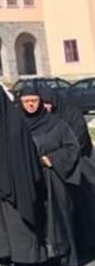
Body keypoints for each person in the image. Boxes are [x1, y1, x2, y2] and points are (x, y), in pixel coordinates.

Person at [0, 82, 46, 266]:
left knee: (16, 219)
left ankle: (23, 257)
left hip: (12, 178)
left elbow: (16, 151)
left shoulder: (13, 122)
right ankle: (4, 254)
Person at [18, 84, 81, 266]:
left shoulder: (56, 124)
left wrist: (52, 159)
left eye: (34, 101)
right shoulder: (19, 126)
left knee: (59, 216)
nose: (31, 105)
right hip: (31, 178)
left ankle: (65, 257)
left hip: (53, 177)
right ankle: (42, 257)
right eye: (27, 101)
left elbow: (72, 148)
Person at [42, 88, 95, 256]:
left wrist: (61, 156)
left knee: (84, 205)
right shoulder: (45, 120)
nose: (46, 107)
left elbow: (78, 140)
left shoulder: (71, 114)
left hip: (80, 166)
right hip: (56, 168)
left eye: (48, 103)